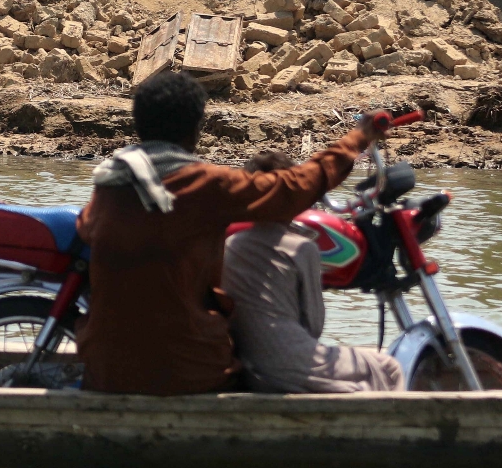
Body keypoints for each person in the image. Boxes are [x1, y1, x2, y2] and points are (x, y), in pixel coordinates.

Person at [74, 70, 388, 395]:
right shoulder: (205, 185)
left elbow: (86, 226)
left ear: (139, 126)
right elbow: (294, 186)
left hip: (105, 371)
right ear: (196, 130)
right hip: (189, 372)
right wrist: (357, 138)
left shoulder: (108, 186)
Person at [222, 149, 404, 393]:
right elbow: (314, 325)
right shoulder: (302, 248)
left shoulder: (231, 244)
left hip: (252, 366)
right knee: (388, 367)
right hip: (290, 363)